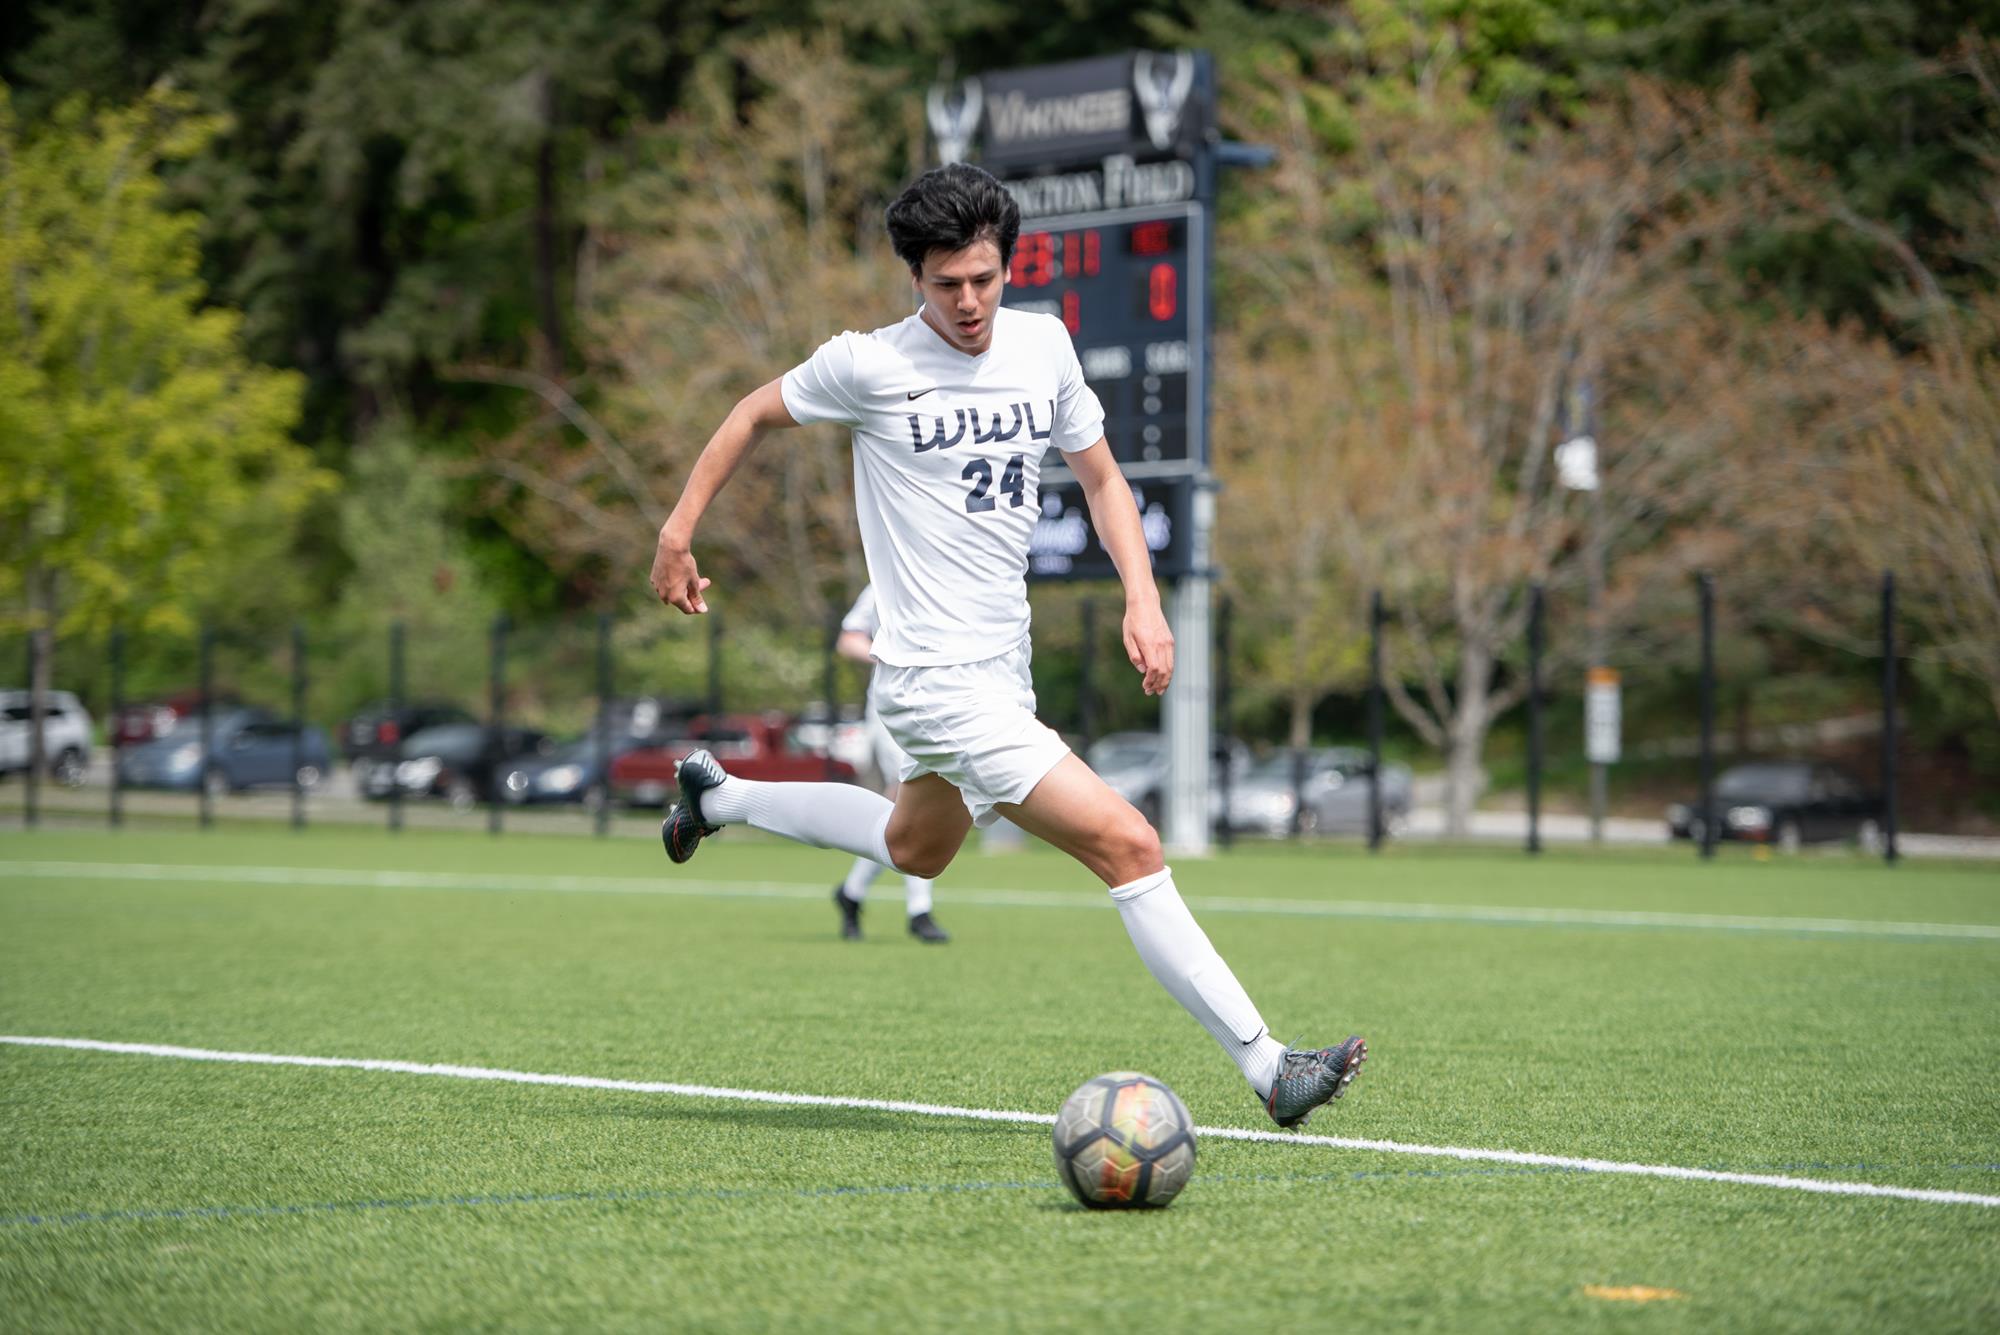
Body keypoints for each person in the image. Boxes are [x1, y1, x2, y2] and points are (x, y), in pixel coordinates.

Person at [649, 162, 1365, 1128]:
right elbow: (749, 414)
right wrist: (676, 530)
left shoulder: (1045, 346)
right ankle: (1269, 1063)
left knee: (916, 848)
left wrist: (1142, 600)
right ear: (916, 278)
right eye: (948, 284)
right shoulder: (868, 363)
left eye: (985, 279)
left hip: (1002, 672)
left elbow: (1106, 481)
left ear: (1004, 267)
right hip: (932, 678)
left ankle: (720, 796)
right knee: (1129, 841)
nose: (970, 301)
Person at [832, 583, 950, 944]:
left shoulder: (947, 577)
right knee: (914, 805)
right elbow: (848, 639)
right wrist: (889, 657)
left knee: (898, 811)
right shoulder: (885, 580)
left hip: (935, 708)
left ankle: (851, 893)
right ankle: (920, 911)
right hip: (891, 710)